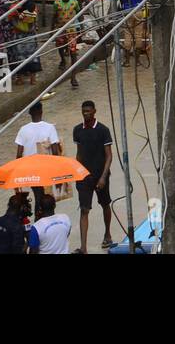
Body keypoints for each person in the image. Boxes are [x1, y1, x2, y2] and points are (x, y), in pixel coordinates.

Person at [72, 100, 115, 252]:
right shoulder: (77, 130)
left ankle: (108, 234)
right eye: (84, 111)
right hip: (85, 177)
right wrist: (77, 173)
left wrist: (103, 177)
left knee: (105, 204)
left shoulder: (103, 130)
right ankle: (83, 248)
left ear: (94, 111)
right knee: (84, 210)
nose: (86, 114)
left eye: (88, 111)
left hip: (101, 175)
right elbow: (79, 153)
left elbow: (109, 156)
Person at [14, 102, 61, 207]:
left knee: (38, 196)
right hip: (46, 169)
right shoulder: (50, 127)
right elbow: (55, 152)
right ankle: (42, 218)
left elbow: (18, 155)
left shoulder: (23, 129)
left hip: (31, 171)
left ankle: (38, 218)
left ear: (30, 113)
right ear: (41, 111)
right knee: (46, 199)